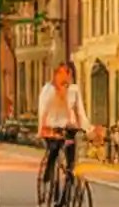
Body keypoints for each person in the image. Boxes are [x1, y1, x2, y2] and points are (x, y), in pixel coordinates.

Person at [37, 62, 92, 194]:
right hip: (52, 126)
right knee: (54, 148)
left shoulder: (74, 90)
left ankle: (70, 182)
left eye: (69, 75)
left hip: (67, 127)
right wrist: (43, 127)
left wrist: (87, 128)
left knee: (71, 156)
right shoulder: (48, 90)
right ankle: (48, 173)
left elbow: (80, 112)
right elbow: (43, 110)